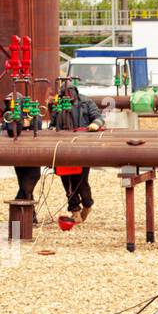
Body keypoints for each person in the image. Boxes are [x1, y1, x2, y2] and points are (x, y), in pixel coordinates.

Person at [50, 82, 104, 222]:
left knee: (81, 180)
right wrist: (51, 128)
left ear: (75, 91)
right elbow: (53, 122)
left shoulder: (86, 102)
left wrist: (95, 124)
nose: (67, 96)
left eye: (70, 93)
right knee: (66, 180)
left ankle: (87, 204)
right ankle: (74, 210)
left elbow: (98, 117)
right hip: (62, 147)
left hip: (82, 146)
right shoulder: (59, 104)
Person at [3, 93, 42, 225]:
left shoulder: (30, 111)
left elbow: (39, 125)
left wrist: (29, 122)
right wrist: (18, 122)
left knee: (28, 182)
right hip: (18, 154)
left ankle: (24, 213)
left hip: (33, 152)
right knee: (25, 186)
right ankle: (27, 217)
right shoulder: (8, 114)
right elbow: (7, 130)